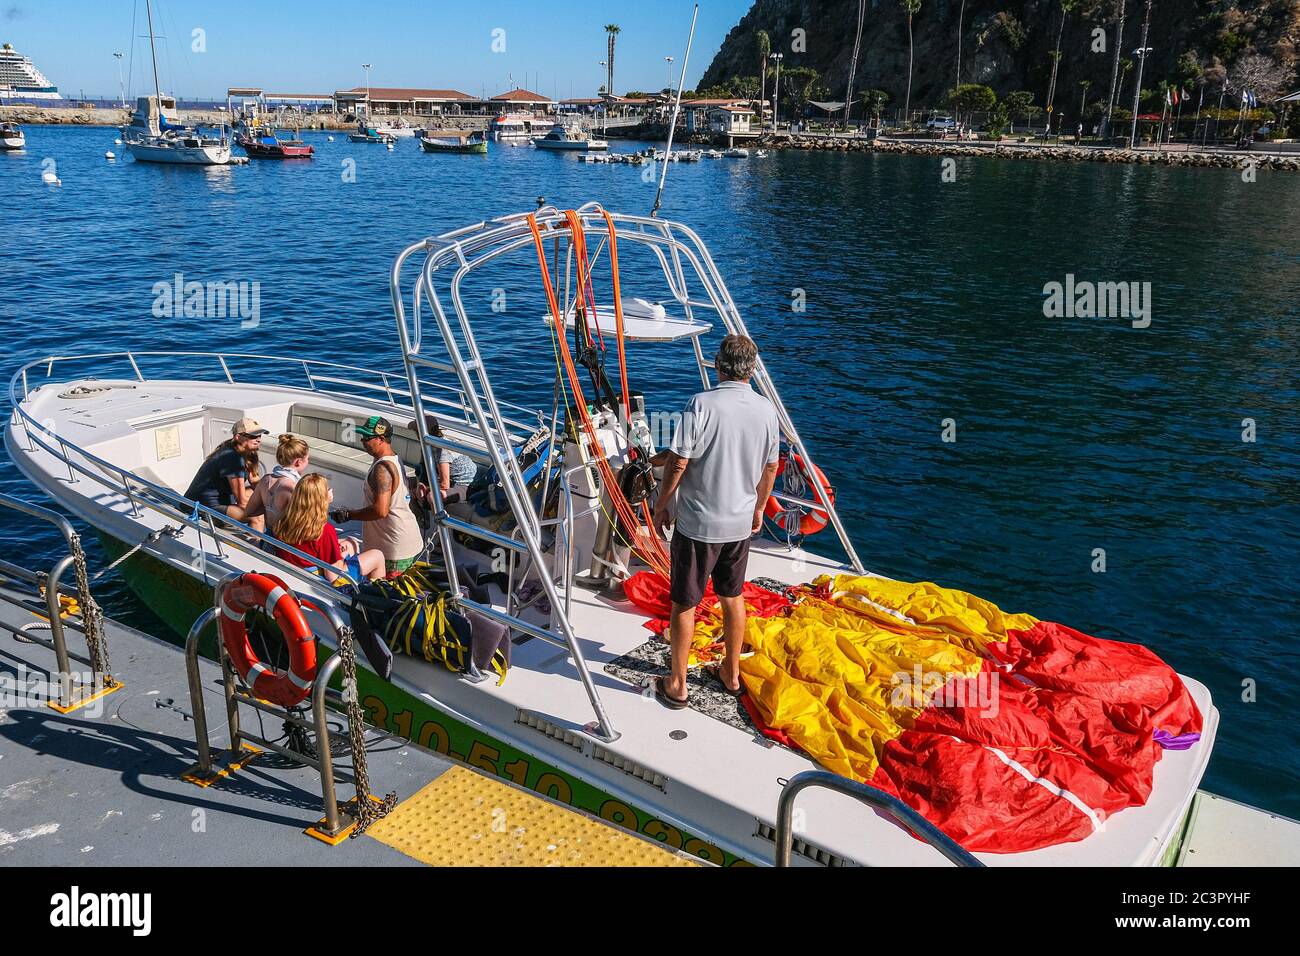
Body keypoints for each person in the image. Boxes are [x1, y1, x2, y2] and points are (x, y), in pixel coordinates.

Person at [650, 334, 780, 709]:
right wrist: (758, 508)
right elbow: (770, 466)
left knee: (685, 603)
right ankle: (732, 673)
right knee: (732, 596)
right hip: (739, 525)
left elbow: (679, 460)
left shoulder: (701, 404)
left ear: (718, 365)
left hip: (699, 526)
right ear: (752, 370)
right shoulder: (766, 411)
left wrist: (662, 504)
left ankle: (677, 685)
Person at [330, 415, 424, 575]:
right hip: (406, 542)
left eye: (367, 437)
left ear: (381, 439)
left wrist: (348, 515)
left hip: (393, 551)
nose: (362, 441)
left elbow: (380, 510)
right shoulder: (394, 458)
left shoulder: (382, 469)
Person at [275, 474, 384, 583]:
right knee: (377, 555)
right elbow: (332, 575)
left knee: (351, 542)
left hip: (294, 573)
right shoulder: (323, 530)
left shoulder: (283, 522)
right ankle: (375, 594)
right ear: (321, 499)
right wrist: (342, 556)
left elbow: (308, 546)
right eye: (327, 489)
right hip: (321, 581)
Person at [184, 419, 267, 529]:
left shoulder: (249, 453)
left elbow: (256, 484)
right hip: (203, 506)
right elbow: (241, 501)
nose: (258, 439)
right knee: (257, 517)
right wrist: (268, 510)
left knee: (256, 494)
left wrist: (271, 501)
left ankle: (254, 537)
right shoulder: (231, 458)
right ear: (238, 437)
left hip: (224, 499)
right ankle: (254, 545)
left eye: (259, 436)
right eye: (252, 436)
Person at [232, 433, 309, 533]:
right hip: (285, 545)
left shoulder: (266, 479)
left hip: (268, 541)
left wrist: (269, 507)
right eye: (307, 459)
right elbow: (305, 523)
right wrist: (324, 501)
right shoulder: (296, 487)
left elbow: (250, 511)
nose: (308, 462)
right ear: (299, 461)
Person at [408, 414, 478, 506]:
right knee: (405, 483)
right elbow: (423, 470)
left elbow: (445, 484)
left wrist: (425, 490)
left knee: (433, 497)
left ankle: (436, 520)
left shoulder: (441, 450)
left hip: (466, 485)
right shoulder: (426, 445)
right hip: (450, 480)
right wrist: (419, 486)